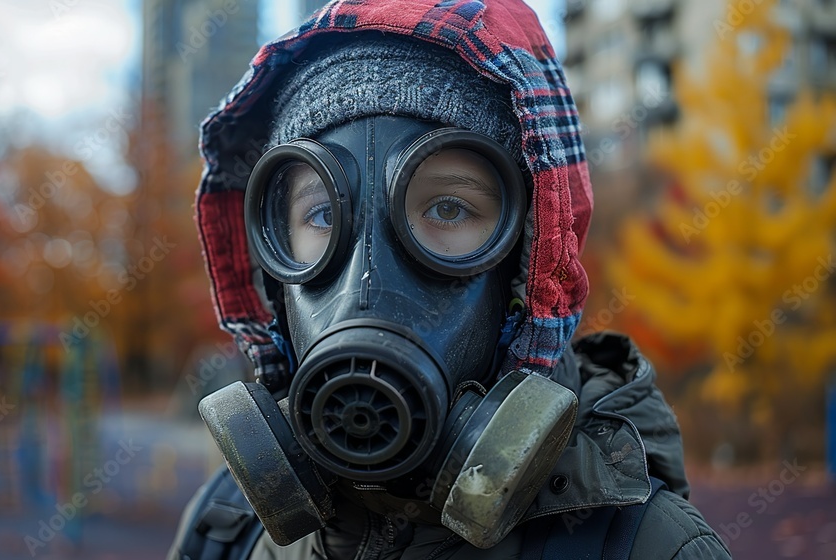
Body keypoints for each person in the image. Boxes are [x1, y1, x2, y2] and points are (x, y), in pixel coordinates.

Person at [168, 0, 731, 558]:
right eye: (322, 214)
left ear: (527, 264)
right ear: (274, 271)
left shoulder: (649, 546)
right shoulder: (223, 531)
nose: (367, 281)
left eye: (448, 209)